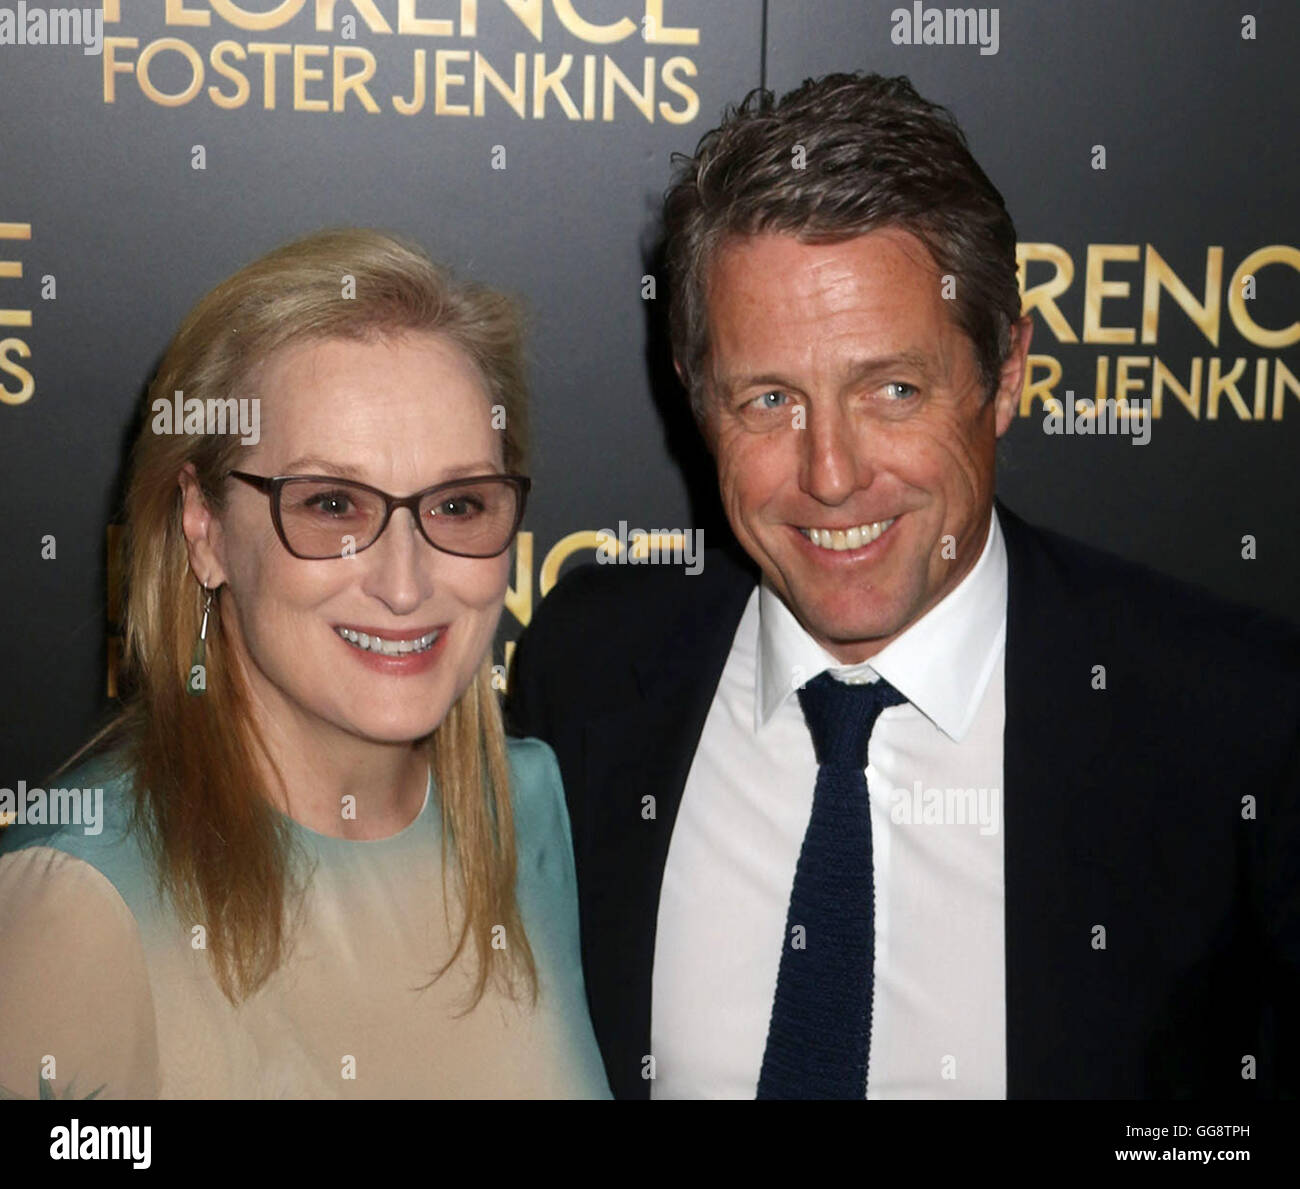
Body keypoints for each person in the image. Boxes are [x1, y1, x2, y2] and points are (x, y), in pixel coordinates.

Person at [507, 73, 1300, 1099]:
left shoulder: (1232, 721)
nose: (831, 474)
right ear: (695, 397)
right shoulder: (589, 670)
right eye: (767, 399)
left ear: (1006, 372)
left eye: (893, 390)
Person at [0, 228, 610, 1099]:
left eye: (459, 503)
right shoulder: (77, 905)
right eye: (331, 504)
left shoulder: (527, 811)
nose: (406, 583)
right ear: (203, 528)